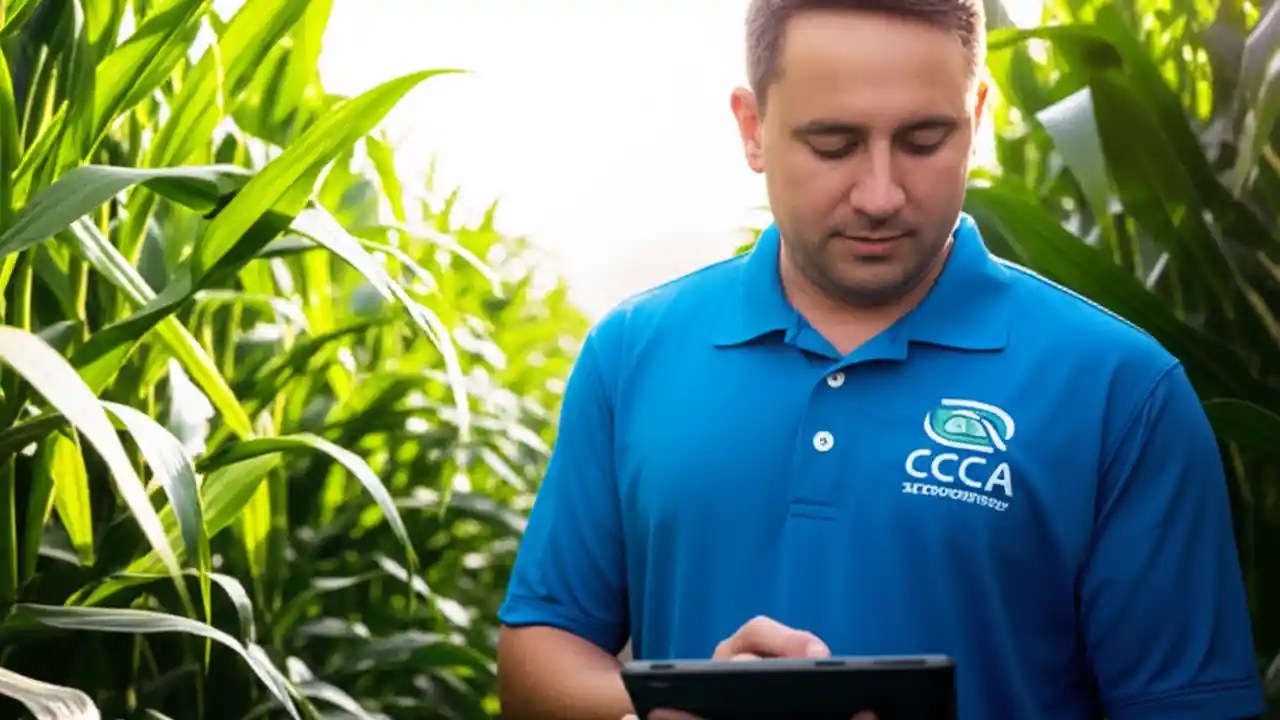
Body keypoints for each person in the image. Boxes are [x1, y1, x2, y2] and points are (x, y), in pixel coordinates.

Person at [494, 0, 1268, 718]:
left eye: (924, 141)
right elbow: (539, 648)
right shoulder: (632, 354)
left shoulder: (1121, 393)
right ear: (752, 127)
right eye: (833, 144)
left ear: (978, 115)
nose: (880, 193)